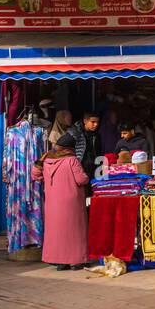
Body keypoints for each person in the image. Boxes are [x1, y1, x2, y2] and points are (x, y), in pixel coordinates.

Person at [32, 143, 89, 271]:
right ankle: (76, 261)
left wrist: (40, 160)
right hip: (72, 203)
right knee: (75, 231)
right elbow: (81, 179)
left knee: (57, 232)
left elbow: (35, 175)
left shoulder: (47, 162)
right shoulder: (72, 160)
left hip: (53, 204)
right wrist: (88, 177)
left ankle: (60, 261)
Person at [59, 111, 103, 180]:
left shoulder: (97, 135)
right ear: (85, 121)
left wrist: (99, 170)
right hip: (79, 170)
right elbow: (59, 145)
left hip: (93, 171)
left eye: (97, 122)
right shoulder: (75, 133)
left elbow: (99, 153)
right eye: (93, 122)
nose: (96, 124)